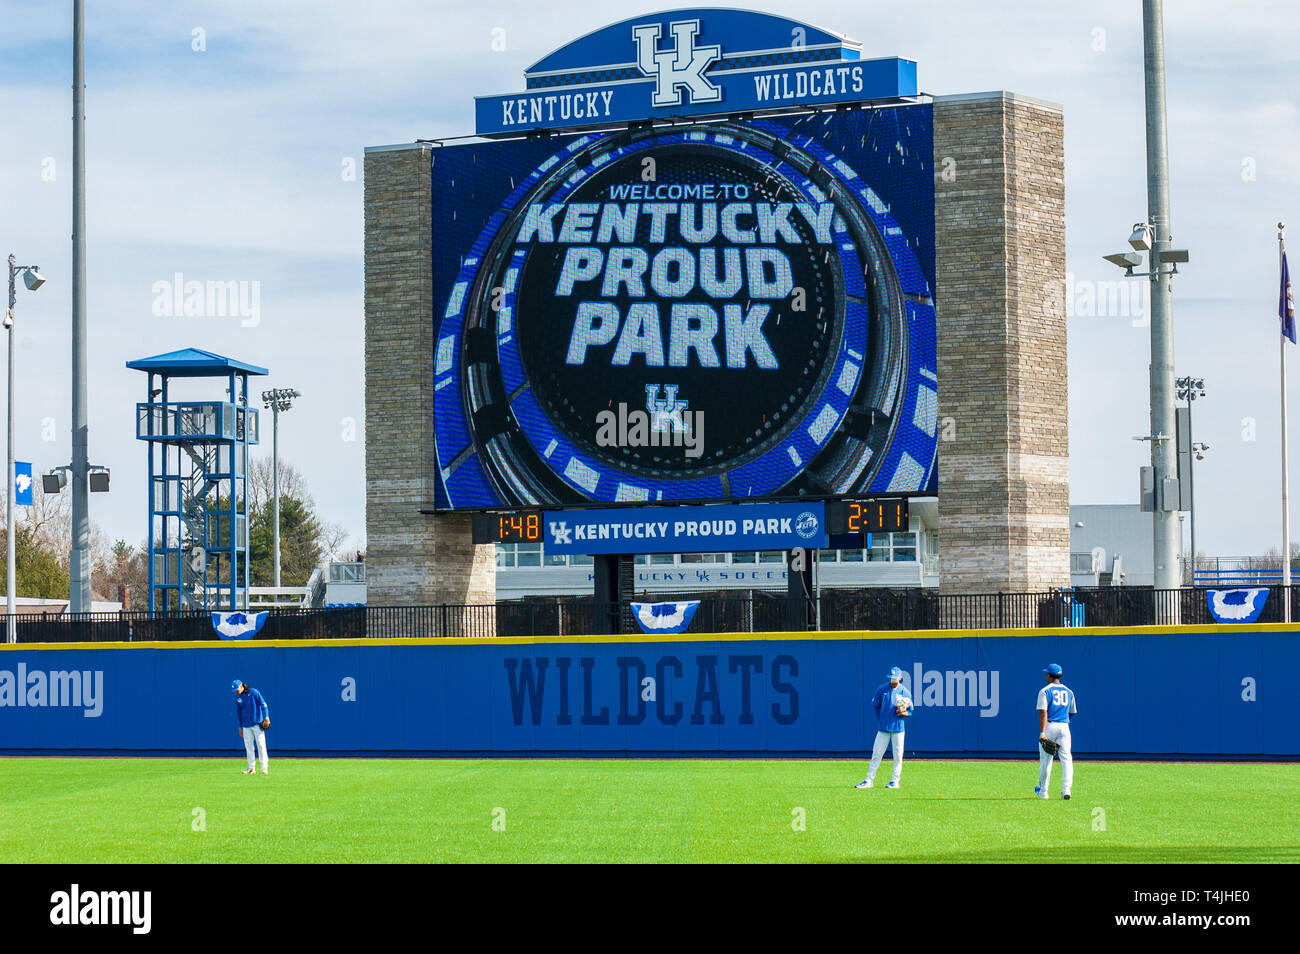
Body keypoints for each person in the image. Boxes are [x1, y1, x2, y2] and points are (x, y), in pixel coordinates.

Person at [856, 666, 912, 789]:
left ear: (900, 678)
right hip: (883, 728)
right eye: (891, 678)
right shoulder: (881, 690)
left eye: (895, 678)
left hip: (898, 728)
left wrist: (903, 712)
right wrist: (881, 719)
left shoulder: (905, 692)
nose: (893, 680)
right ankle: (869, 780)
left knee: (898, 755)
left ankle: (895, 780)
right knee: (877, 753)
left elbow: (911, 711)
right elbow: (876, 706)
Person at [1034, 663, 1076, 800]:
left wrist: (1042, 733)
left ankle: (1043, 792)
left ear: (1049, 675)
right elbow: (1072, 712)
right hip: (1064, 726)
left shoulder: (1045, 691)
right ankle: (1066, 790)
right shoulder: (1069, 692)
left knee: (1046, 760)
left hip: (1050, 726)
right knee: (1066, 759)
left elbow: (1043, 712)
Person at [233, 679, 271, 775]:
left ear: (241, 686)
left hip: (257, 724)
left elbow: (263, 705)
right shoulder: (238, 698)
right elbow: (239, 712)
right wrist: (240, 726)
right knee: (249, 747)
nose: (236, 692)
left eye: (237, 689)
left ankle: (264, 767)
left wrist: (266, 717)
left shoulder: (253, 692)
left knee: (261, 745)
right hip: (246, 725)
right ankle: (251, 768)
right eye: (235, 691)